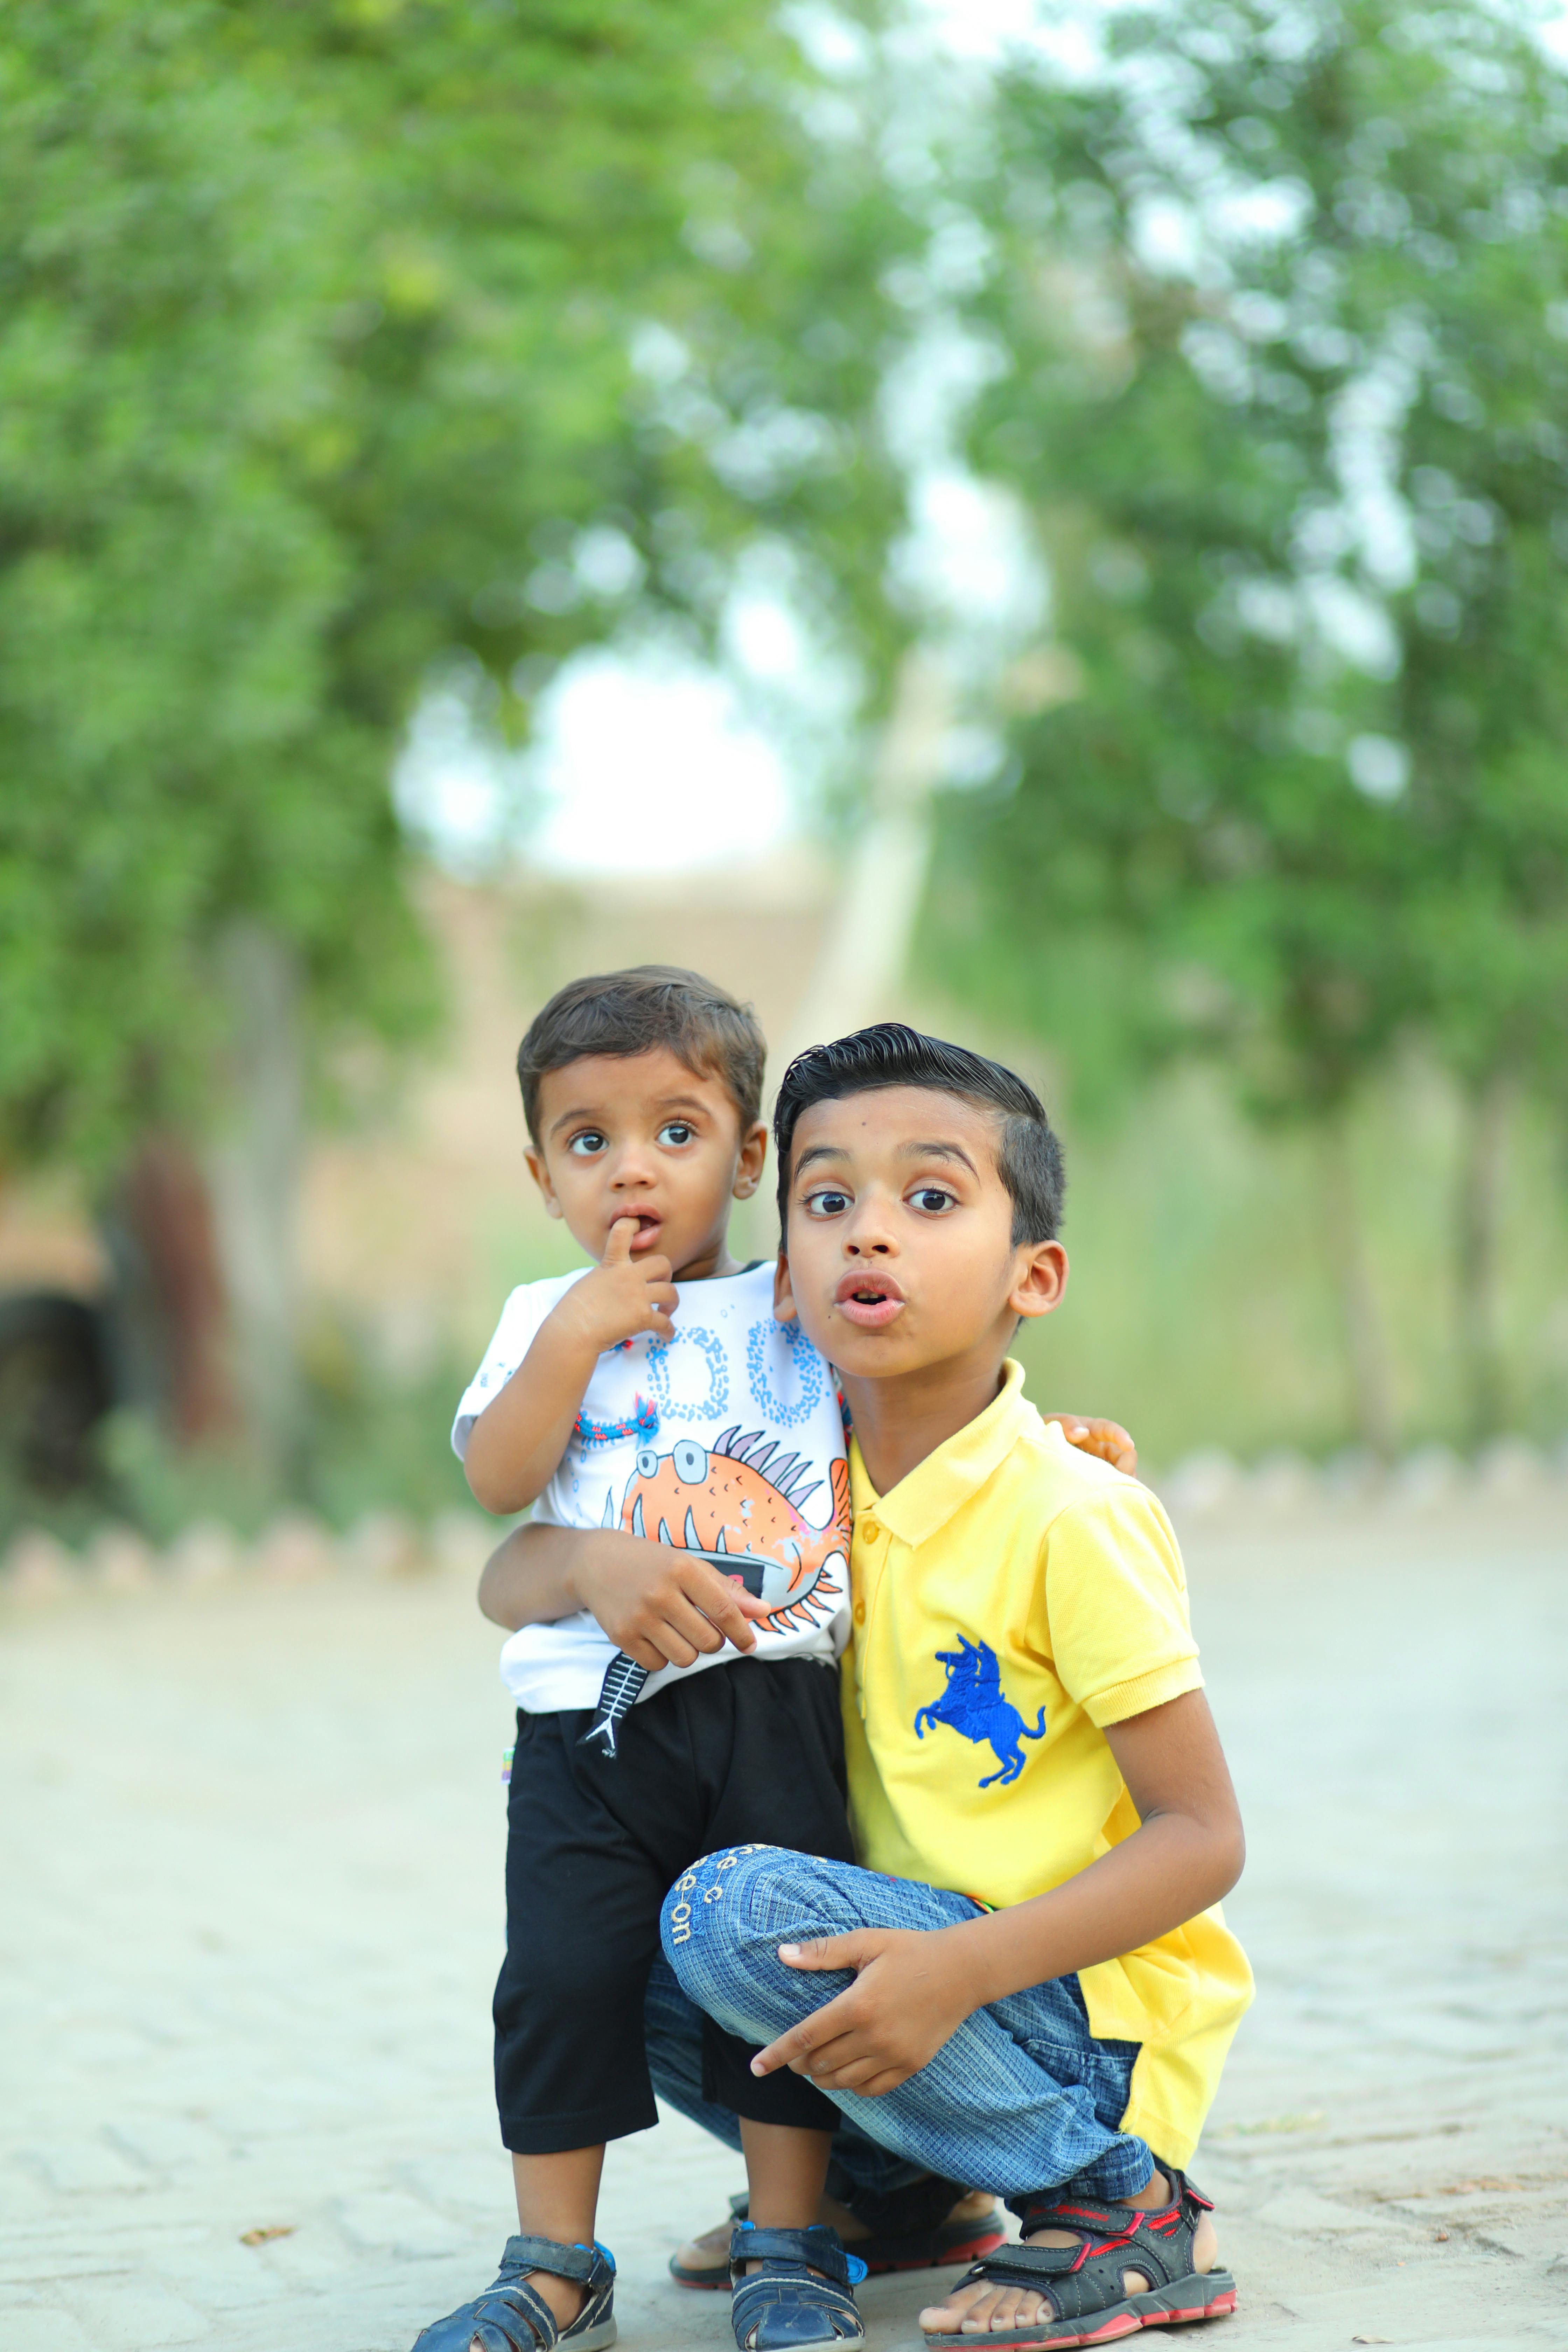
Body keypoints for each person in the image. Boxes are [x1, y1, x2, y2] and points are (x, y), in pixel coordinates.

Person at [412, 971, 1132, 2352]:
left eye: (676, 1133)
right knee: (564, 1977)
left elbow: (928, 1401)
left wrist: (1055, 1443)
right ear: (540, 1175)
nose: (632, 1168)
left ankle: (792, 2242)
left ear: (748, 1159)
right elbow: (502, 1486)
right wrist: (574, 1336)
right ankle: (556, 2263)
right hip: (586, 1733)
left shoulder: (794, 1309)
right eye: (588, 1142)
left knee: (781, 1973)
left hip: (776, 1709)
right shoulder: (536, 1317)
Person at [658, 1023, 1253, 2352]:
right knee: (608, 1913)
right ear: (782, 1277)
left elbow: (1206, 1838)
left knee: (726, 1910)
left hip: (1073, 2010)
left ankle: (1124, 2201)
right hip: (913, 1960)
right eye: (827, 1201)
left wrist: (959, 1967)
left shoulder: (1071, 1514)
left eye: (931, 1199)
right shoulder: (796, 1487)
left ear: (1030, 1275)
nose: (871, 1234)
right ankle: (900, 2194)